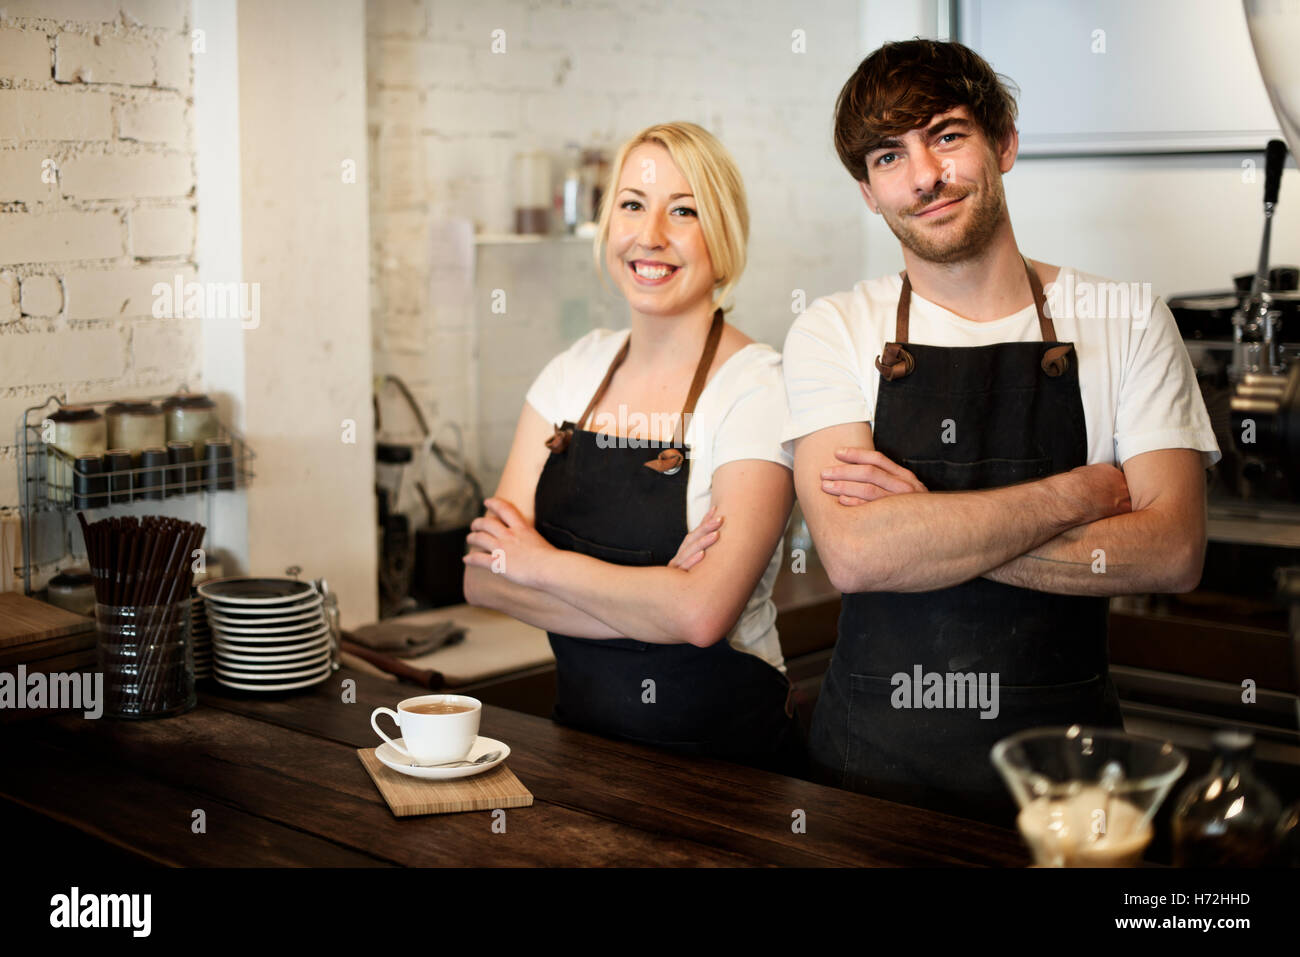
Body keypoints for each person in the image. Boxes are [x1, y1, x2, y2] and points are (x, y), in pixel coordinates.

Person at [780, 39, 1220, 823]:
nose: (924, 176)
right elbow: (855, 552)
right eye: (890, 157)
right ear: (869, 192)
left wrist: (925, 528)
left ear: (1004, 141)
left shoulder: (1125, 318)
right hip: (869, 778)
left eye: (947, 135)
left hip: (1071, 781)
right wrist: (1079, 493)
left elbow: (1174, 549)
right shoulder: (832, 328)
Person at [464, 121, 805, 775]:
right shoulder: (573, 372)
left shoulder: (757, 388)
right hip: (581, 756)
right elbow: (481, 574)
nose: (650, 236)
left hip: (731, 774)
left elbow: (705, 614)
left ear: (724, 235)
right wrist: (657, 601)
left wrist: (537, 564)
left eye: (684, 210)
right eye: (632, 205)